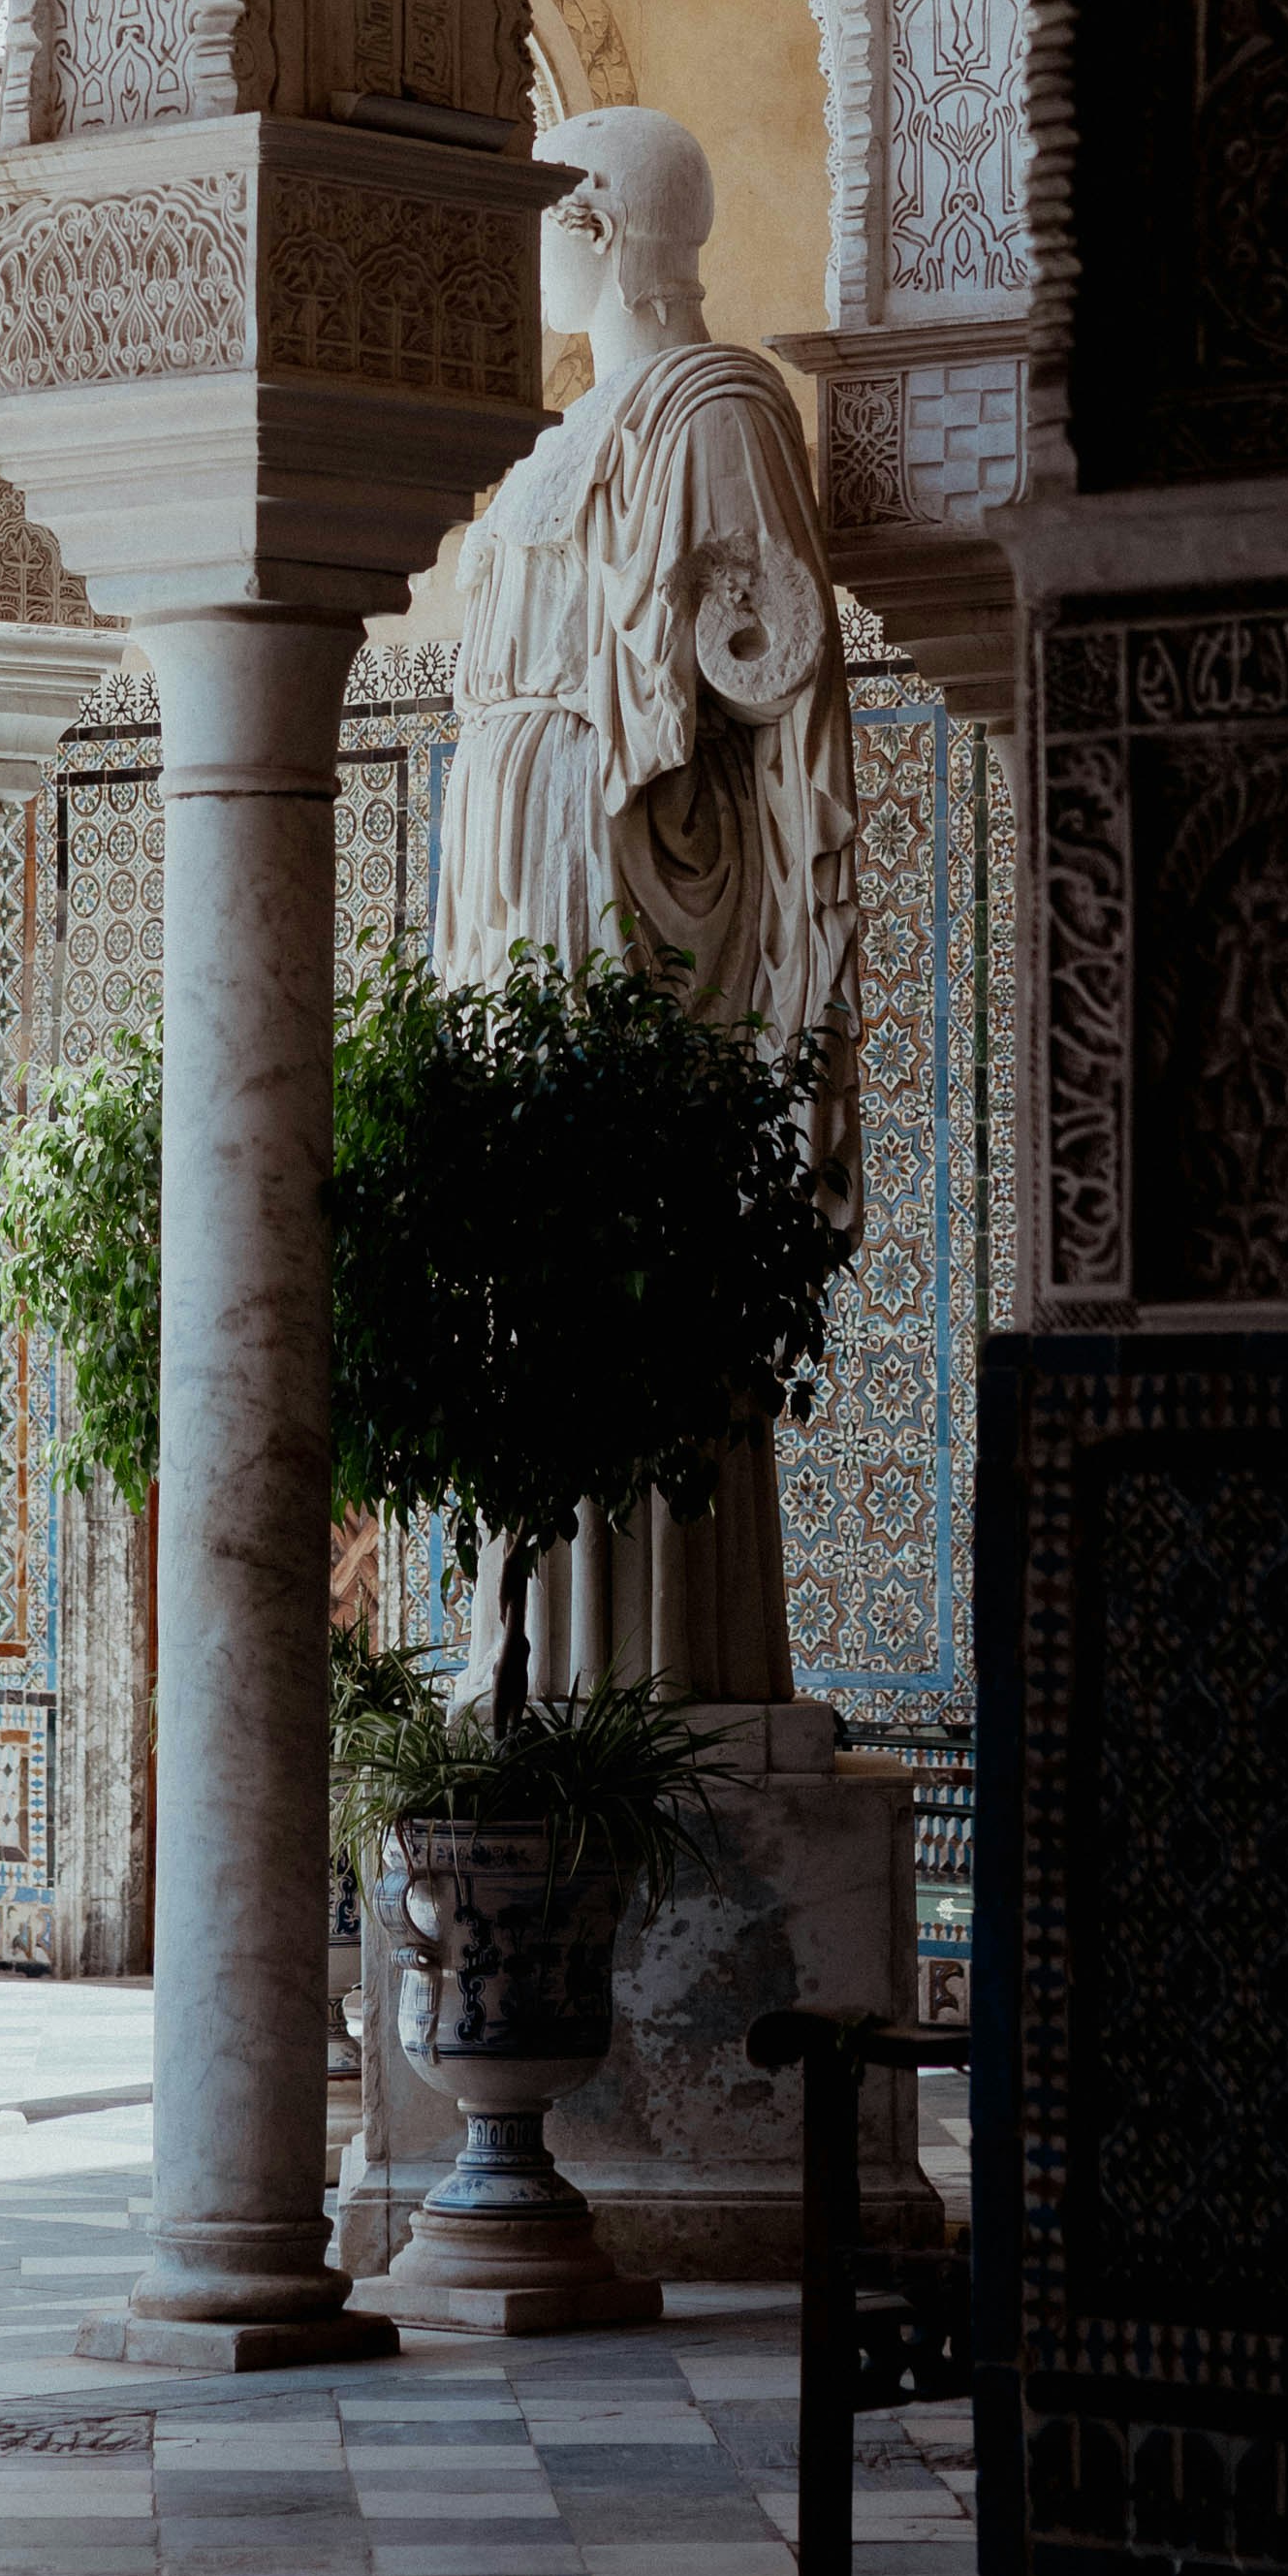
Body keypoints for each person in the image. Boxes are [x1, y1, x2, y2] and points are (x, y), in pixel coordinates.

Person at [433, 106, 860, 1694]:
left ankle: (661, 1681)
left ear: (600, 223)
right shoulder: (560, 439)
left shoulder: (715, 409)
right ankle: (524, 1656)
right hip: (512, 875)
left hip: (632, 883)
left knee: (631, 1247)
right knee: (521, 1261)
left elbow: (775, 671)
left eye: (547, 212)